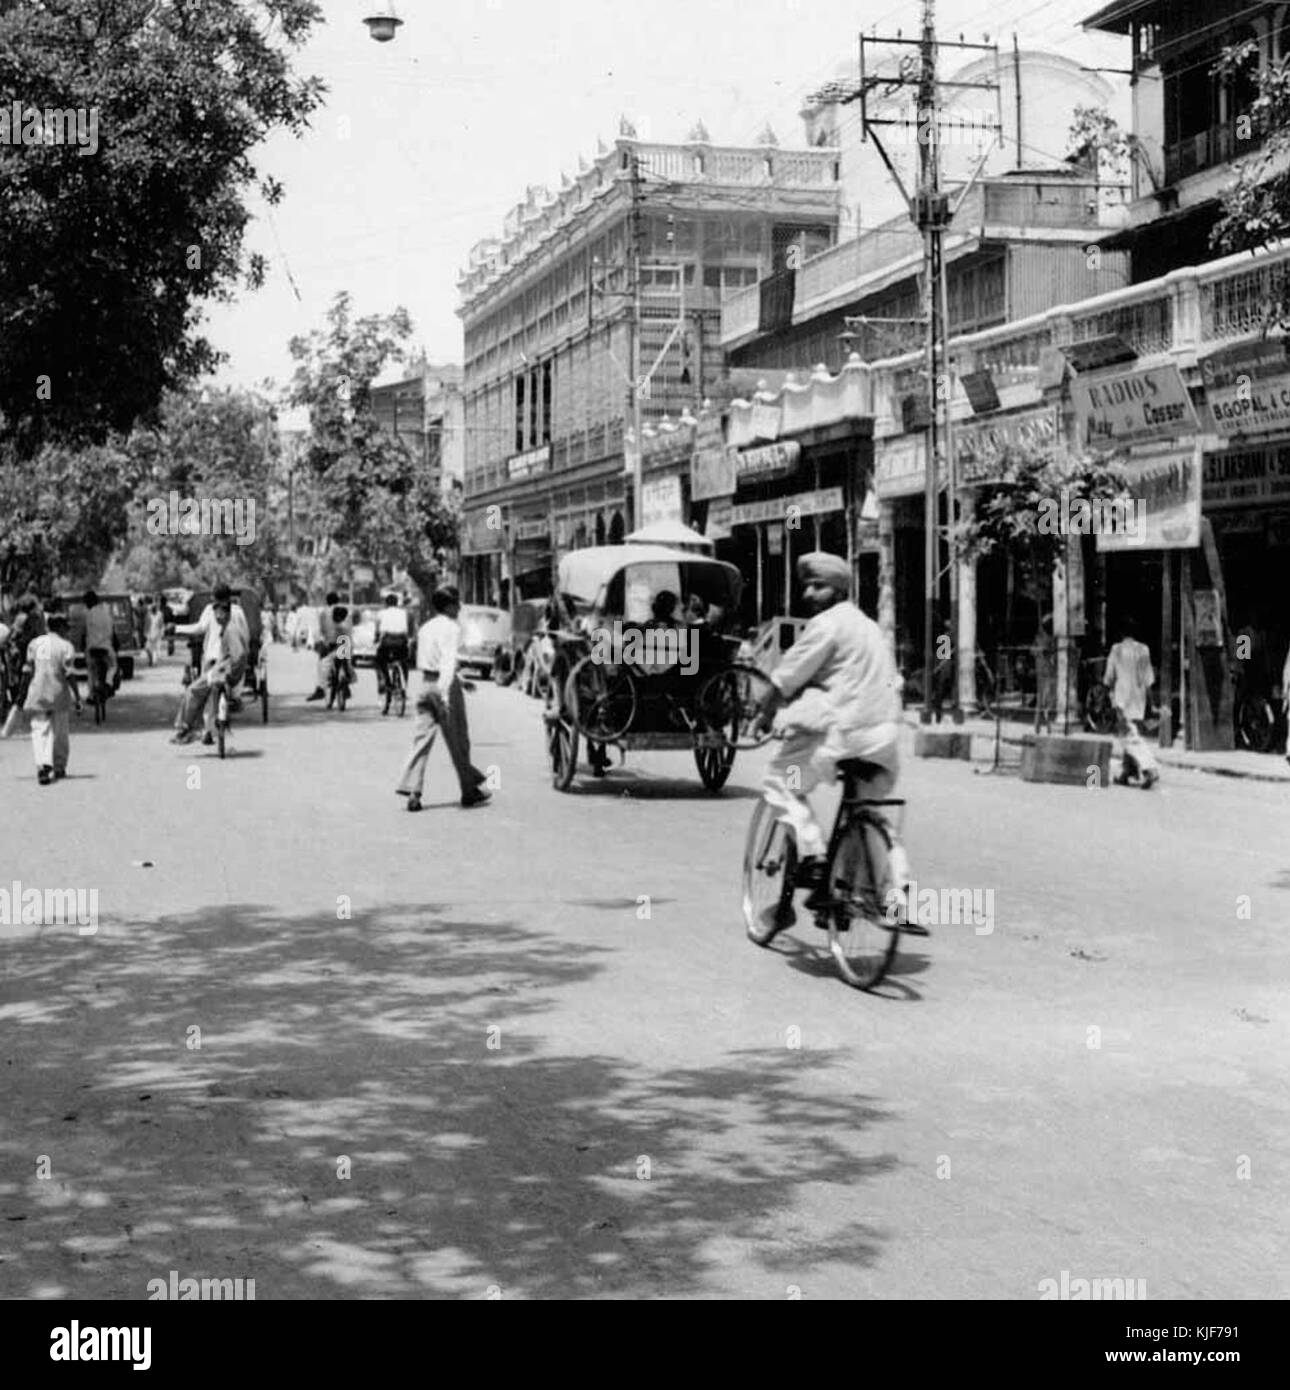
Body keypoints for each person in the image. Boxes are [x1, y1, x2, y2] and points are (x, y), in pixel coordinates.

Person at [753, 551, 920, 936]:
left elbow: (784, 679)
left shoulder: (827, 625)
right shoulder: (871, 628)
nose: (810, 593)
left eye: (819, 585)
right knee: (867, 810)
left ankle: (811, 852)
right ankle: (873, 895)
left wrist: (763, 715)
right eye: (808, 586)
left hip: (842, 738)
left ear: (840, 590)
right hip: (883, 742)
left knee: (783, 780)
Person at [396, 586, 491, 811]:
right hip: (443, 685)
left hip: (426, 683)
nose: (459, 607)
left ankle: (413, 791)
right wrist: (447, 692)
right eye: (456, 603)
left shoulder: (426, 627)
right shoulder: (451, 628)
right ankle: (469, 789)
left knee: (421, 741)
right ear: (448, 606)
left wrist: (457, 680)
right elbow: (447, 661)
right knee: (459, 741)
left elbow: (430, 659)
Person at [170, 596, 248, 744]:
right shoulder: (234, 624)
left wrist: (225, 671)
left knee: (193, 690)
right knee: (207, 693)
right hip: (227, 670)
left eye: (220, 615)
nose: (217, 619)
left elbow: (236, 656)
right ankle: (204, 728)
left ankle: (185, 727)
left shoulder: (229, 630)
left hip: (222, 670)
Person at [22, 610, 82, 783]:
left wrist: (22, 694)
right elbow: (69, 673)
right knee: (60, 732)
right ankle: (59, 766)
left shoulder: (35, 644)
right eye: (66, 628)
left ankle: (42, 764)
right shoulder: (65, 646)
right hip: (58, 694)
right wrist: (77, 696)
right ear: (61, 628)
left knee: (39, 729)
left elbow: (27, 670)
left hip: (37, 692)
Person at [1104, 617, 1159, 789]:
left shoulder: (1117, 650)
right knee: (1130, 735)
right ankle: (1126, 772)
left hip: (1122, 699)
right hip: (1139, 700)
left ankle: (1149, 768)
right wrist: (1151, 704)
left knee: (1129, 737)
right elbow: (1148, 679)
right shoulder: (1144, 650)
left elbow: (1109, 678)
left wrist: (1110, 697)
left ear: (1121, 633)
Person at [306, 591, 347, 702]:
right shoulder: (347, 610)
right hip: (345, 642)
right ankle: (346, 686)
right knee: (346, 661)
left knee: (322, 663)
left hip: (332, 643)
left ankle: (320, 689)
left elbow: (321, 630)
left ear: (327, 601)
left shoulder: (324, 612)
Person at [374, 592, 411, 701]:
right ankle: (404, 686)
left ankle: (387, 682)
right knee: (404, 662)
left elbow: (377, 630)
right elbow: (408, 629)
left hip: (387, 641)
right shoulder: (404, 613)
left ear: (386, 603)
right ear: (397, 603)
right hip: (401, 641)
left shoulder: (381, 613)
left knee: (379, 661)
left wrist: (376, 638)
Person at [82, 589, 118, 698]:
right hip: (106, 648)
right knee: (113, 666)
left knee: (91, 671)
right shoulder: (107, 614)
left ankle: (91, 694)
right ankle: (108, 682)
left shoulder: (88, 614)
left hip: (92, 648)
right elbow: (113, 632)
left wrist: (83, 646)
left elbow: (84, 633)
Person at [146, 598, 166, 667]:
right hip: (150, 633)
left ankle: (154, 662)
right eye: (152, 609)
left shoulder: (159, 614)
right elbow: (146, 624)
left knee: (155, 649)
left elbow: (161, 624)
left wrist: (162, 632)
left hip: (157, 633)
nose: (153, 610)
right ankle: (151, 660)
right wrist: (146, 634)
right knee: (148, 648)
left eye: (155, 608)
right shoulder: (149, 615)